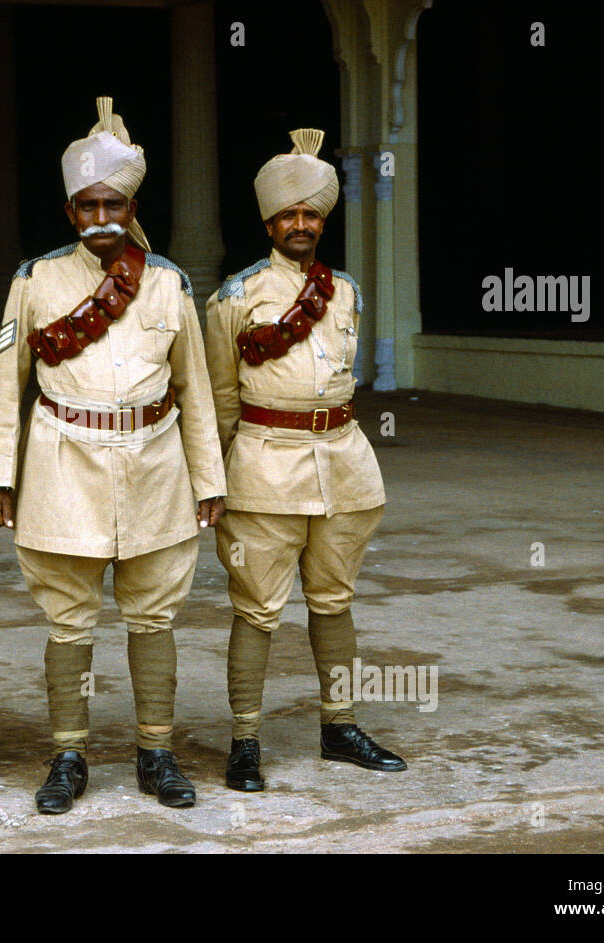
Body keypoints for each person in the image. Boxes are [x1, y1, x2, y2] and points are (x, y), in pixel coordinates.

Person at [0, 97, 226, 814]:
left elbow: (198, 391)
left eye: (112, 202)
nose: (100, 217)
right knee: (69, 619)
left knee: (154, 616)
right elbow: (6, 387)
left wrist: (209, 478)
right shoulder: (35, 282)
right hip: (63, 462)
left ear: (132, 203)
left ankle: (156, 752)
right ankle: (68, 754)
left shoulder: (170, 283)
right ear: (70, 212)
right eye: (86, 205)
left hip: (155, 464)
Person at [204, 128, 407, 792]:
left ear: (322, 220)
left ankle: (340, 725)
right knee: (258, 608)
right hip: (266, 466)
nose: (300, 224)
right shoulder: (235, 297)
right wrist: (222, 475)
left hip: (343, 462)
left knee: (334, 600)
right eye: (289, 214)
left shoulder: (344, 291)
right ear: (269, 222)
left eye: (311, 213)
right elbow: (221, 398)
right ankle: (244, 739)